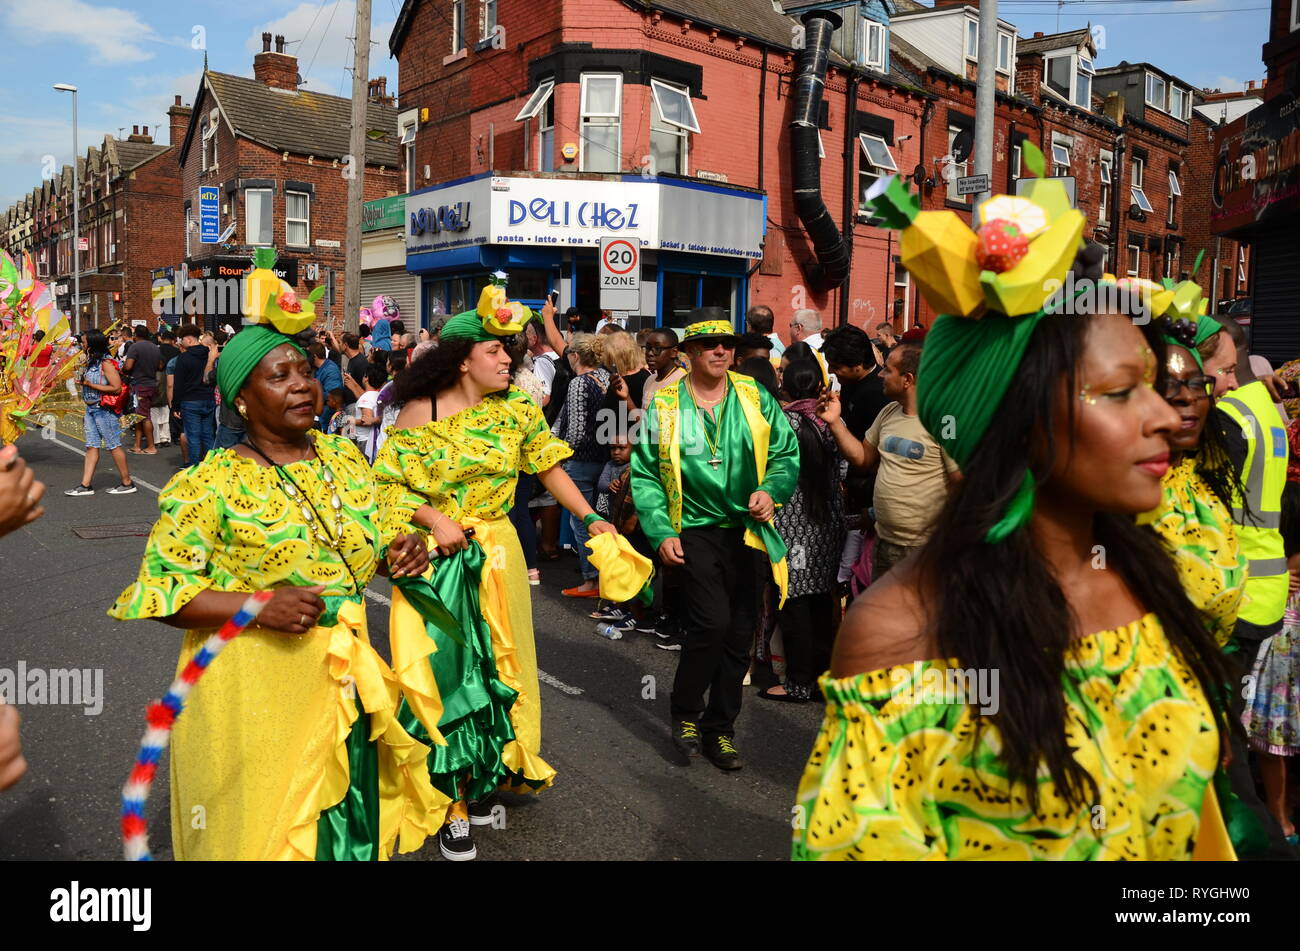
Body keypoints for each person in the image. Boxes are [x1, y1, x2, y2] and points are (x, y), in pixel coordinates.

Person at [109, 325, 440, 860]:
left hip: (344, 681)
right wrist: (257, 607)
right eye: (279, 376)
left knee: (335, 831)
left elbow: (366, 543)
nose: (303, 386)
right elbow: (162, 594)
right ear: (241, 397)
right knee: (262, 832)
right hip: (252, 691)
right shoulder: (210, 483)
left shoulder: (343, 458)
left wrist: (400, 552)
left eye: (307, 372)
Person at [372, 294, 616, 860]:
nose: (510, 358)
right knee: (446, 673)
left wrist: (592, 518)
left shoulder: (517, 410)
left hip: (498, 554)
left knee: (500, 664)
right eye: (495, 350)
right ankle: (450, 802)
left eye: (510, 349)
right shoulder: (419, 413)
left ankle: (486, 767)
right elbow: (385, 488)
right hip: (437, 560)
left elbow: (550, 469)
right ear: (462, 358)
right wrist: (435, 519)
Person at [631, 313, 799, 771]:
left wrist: (771, 491)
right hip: (695, 529)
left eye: (727, 344)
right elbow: (645, 474)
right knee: (711, 623)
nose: (720, 351)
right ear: (689, 353)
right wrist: (662, 531)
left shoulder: (754, 394)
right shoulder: (665, 405)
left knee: (740, 633)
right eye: (709, 345)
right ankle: (685, 710)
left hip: (748, 529)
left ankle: (720, 729)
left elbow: (785, 452)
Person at [820, 340, 956, 577]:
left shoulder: (946, 420)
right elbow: (863, 458)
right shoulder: (888, 412)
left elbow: (962, 481)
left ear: (908, 379)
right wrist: (834, 422)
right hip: (886, 543)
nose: (881, 375)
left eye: (888, 369)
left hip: (925, 550)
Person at [761, 359, 845, 703]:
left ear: (788, 385)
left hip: (792, 527)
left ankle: (797, 682)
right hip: (826, 524)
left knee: (792, 604)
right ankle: (824, 679)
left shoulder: (782, 422)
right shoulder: (830, 420)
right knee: (822, 604)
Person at [1242, 468, 1300, 845]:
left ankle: (1281, 820)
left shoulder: (1269, 559)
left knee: (1272, 740)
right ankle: (1283, 816)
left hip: (1277, 637)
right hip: (1283, 641)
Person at [552, 333, 611, 598]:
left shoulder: (579, 383)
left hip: (582, 459)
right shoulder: (606, 377)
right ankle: (607, 576)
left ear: (575, 355)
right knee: (602, 519)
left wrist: (563, 454)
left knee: (582, 520)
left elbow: (575, 428)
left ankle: (591, 580)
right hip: (605, 458)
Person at [65, 330, 136, 496]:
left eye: (84, 342)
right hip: (91, 410)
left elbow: (116, 388)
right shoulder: (92, 362)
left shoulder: (106, 363)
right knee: (91, 446)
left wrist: (91, 385)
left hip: (104, 410)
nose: (82, 345)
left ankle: (127, 482)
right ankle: (85, 485)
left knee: (113, 445)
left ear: (92, 344)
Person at [822, 325, 888, 439]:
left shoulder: (880, 394)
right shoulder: (849, 381)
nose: (830, 371)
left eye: (836, 367)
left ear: (858, 365)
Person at [172, 324, 217, 467]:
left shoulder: (183, 358)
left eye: (182, 339)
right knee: (208, 435)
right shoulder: (210, 354)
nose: (180, 342)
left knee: (193, 437)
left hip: (190, 400)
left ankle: (195, 468)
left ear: (189, 340)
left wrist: (175, 405)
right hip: (208, 398)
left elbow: (178, 384)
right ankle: (211, 467)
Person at [123, 325, 161, 455]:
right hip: (151, 383)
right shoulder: (155, 347)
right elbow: (161, 365)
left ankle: (151, 446)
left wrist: (123, 369)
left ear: (136, 335)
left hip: (140, 384)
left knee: (144, 416)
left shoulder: (135, 347)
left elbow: (128, 366)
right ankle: (137, 445)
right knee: (139, 415)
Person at [639, 327, 686, 409]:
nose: (650, 353)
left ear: (673, 352)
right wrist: (626, 398)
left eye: (657, 349)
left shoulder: (683, 382)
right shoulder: (650, 380)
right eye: (648, 348)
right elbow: (645, 419)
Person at [352, 364, 387, 463]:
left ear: (366, 378)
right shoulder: (379, 396)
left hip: (365, 440)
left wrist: (349, 420)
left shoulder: (366, 397)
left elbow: (366, 420)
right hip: (375, 438)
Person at [309, 343, 344, 432]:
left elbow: (333, 395)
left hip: (327, 419)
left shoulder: (330, 370)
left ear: (314, 356)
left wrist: (312, 393)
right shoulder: (317, 369)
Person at [154, 327, 180, 447]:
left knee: (156, 410)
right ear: (173, 340)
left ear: (162, 338)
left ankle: (157, 438)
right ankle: (171, 435)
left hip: (158, 381)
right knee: (171, 408)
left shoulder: (156, 350)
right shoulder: (177, 351)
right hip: (175, 381)